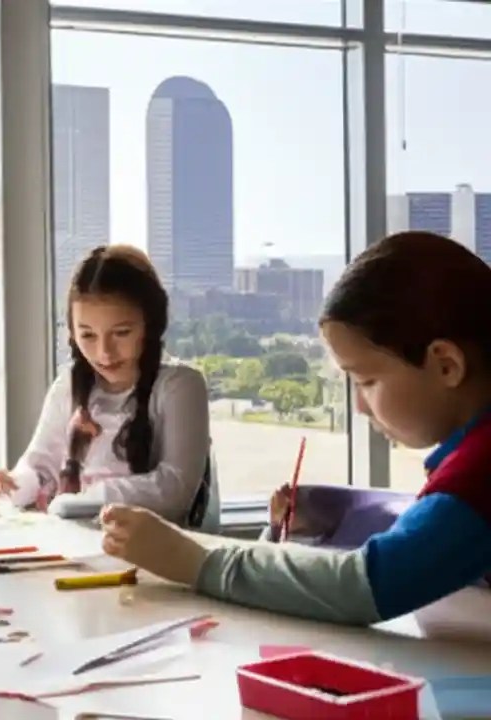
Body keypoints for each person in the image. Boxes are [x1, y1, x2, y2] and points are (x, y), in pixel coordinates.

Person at [100, 231, 491, 626]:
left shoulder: (480, 472)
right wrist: (336, 520)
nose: (358, 405)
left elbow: (368, 586)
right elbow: (436, 528)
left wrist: (193, 561)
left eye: (367, 381)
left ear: (446, 365)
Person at [0, 245, 211, 525]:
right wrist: (15, 484)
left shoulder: (179, 387)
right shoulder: (69, 384)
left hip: (150, 556)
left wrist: (82, 500)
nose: (104, 352)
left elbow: (174, 490)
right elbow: (39, 465)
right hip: (72, 546)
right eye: (88, 335)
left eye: (121, 333)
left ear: (150, 325)